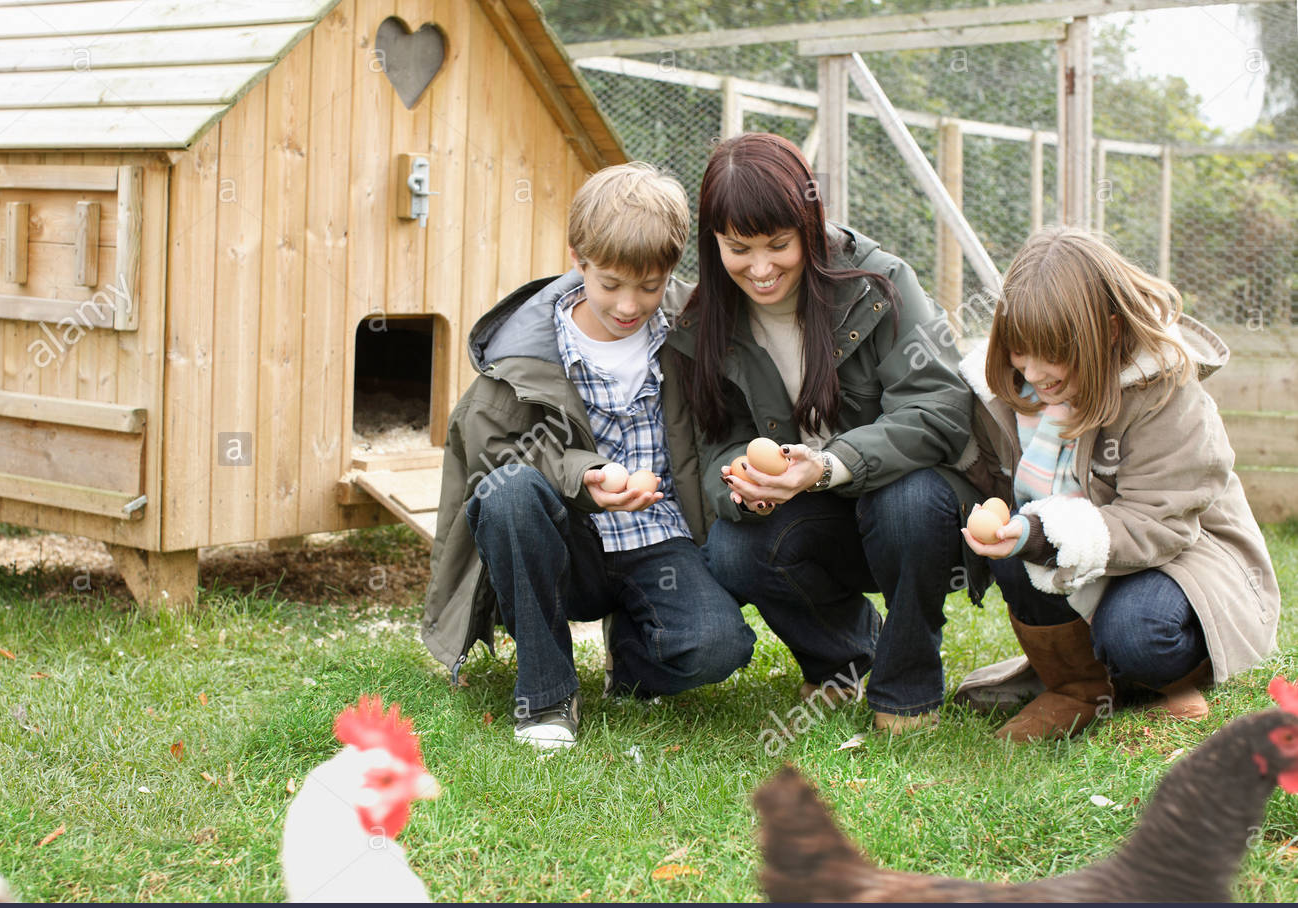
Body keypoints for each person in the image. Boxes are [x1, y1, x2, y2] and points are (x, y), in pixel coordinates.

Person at [420, 162, 755, 749]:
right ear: (578, 257)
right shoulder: (524, 350)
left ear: (672, 270)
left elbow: (729, 424)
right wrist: (584, 476)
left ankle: (629, 658)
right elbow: (491, 461)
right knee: (510, 494)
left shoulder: (693, 332)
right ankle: (547, 693)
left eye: (650, 286)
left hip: (660, 540)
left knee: (719, 647)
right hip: (567, 544)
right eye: (611, 284)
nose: (629, 304)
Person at [673, 132, 987, 733]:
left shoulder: (881, 282)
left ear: (809, 226)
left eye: (779, 245)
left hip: (903, 510)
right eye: (738, 248)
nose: (760, 269)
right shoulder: (703, 321)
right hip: (815, 520)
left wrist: (826, 465)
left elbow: (939, 408)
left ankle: (909, 679)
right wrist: (742, 480)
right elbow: (714, 446)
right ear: (712, 242)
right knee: (734, 548)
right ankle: (842, 654)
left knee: (910, 501)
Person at [959, 226, 1280, 742]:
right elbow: (985, 475)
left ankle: (1171, 677)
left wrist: (1043, 532)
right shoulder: (1004, 389)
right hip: (1088, 561)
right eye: (1021, 349)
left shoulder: (1163, 387)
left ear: (1107, 332)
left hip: (1182, 559)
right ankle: (1077, 688)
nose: (1035, 372)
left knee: (1137, 632)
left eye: (1053, 352)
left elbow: (1163, 521)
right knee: (1016, 553)